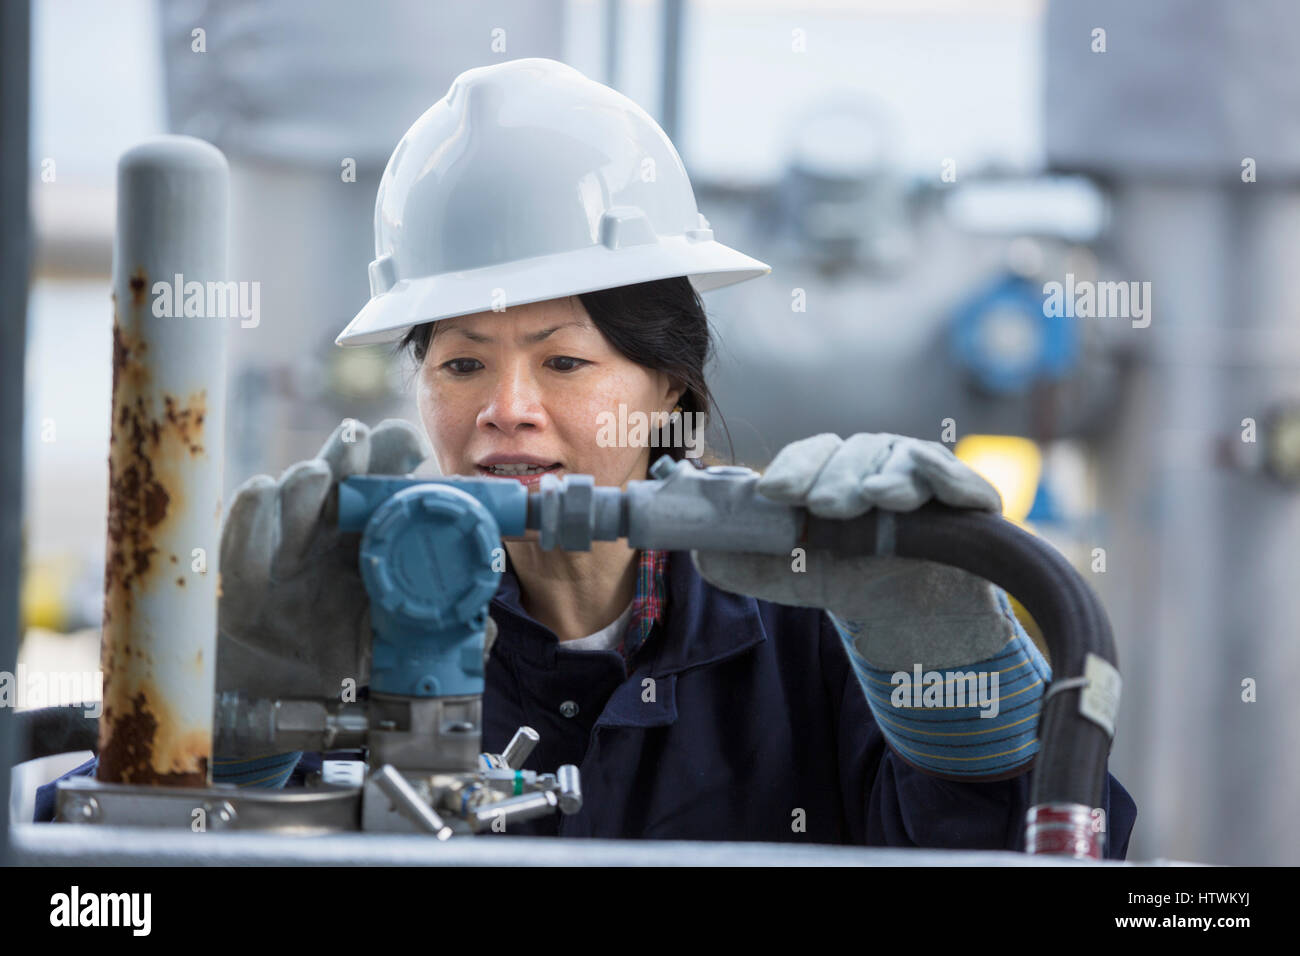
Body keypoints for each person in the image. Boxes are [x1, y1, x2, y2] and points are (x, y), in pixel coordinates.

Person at [36, 58, 1136, 856]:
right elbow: (98, 898)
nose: (506, 410)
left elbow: (1037, 853)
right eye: (462, 364)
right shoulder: (330, 618)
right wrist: (231, 731)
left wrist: (942, 666)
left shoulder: (820, 617)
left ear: (669, 387)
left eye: (563, 363)